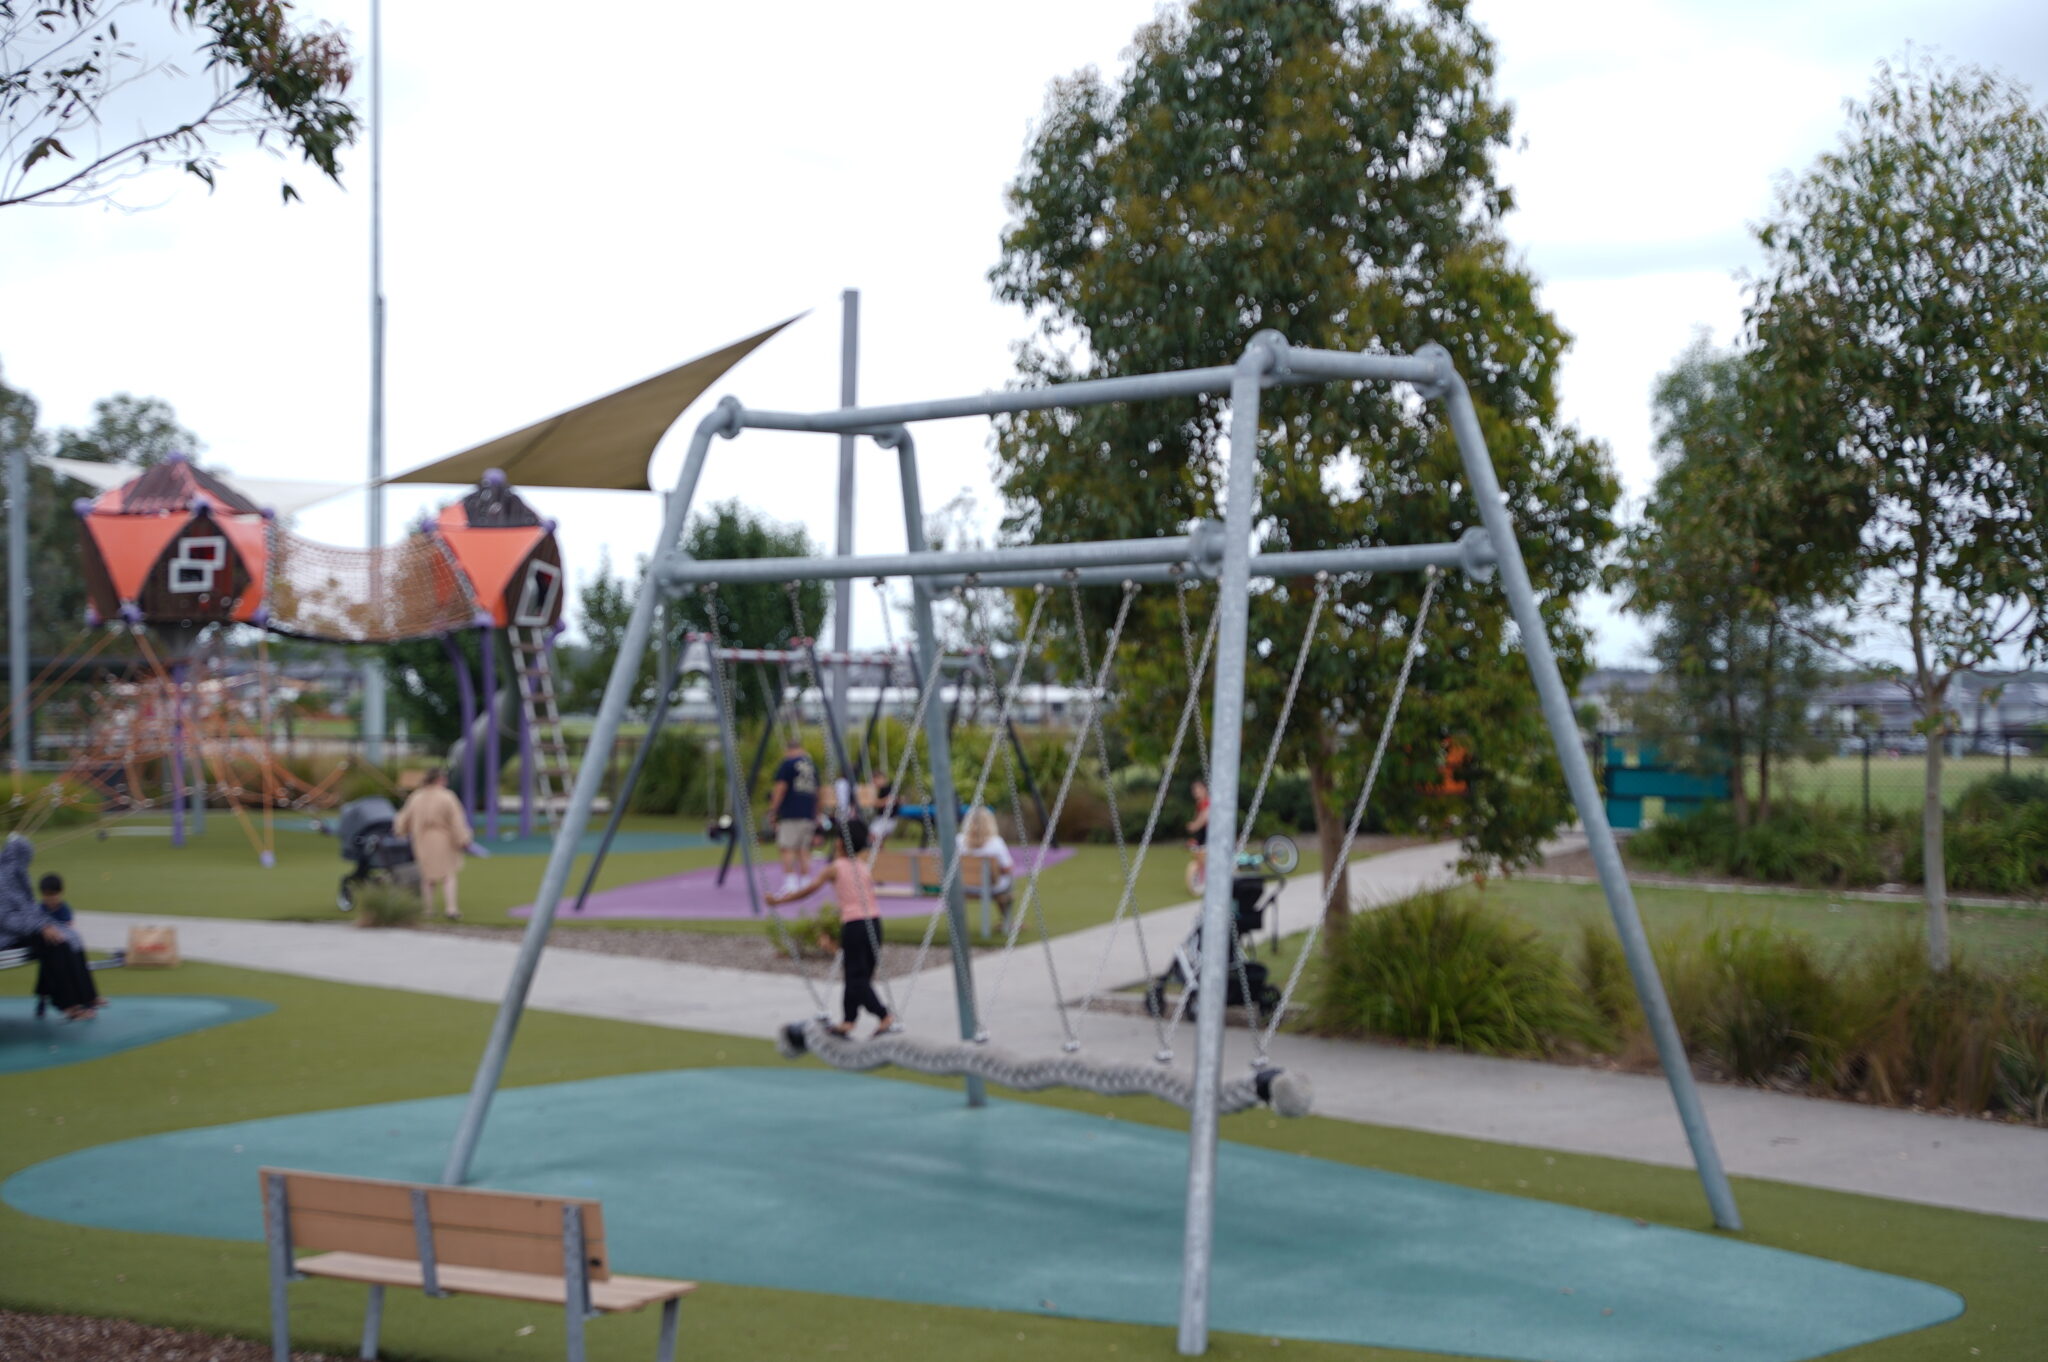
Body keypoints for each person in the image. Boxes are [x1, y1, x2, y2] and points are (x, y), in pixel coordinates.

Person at [765, 817, 895, 1037]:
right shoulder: (862, 867)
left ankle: (884, 1015)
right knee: (856, 974)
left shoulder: (835, 868)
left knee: (856, 977)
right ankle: (848, 1019)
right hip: (874, 923)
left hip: (855, 925)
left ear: (839, 844)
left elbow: (809, 890)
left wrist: (779, 902)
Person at [0, 835, 103, 1019]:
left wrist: (45, 923)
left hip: (24, 928)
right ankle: (68, 1005)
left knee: (70, 936)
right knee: (55, 943)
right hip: (8, 934)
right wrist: (40, 927)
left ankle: (88, 997)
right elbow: (6, 918)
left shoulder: (17, 874)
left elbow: (29, 907)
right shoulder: (3, 878)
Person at [393, 768, 473, 922]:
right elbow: (457, 820)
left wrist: (401, 831)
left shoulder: (416, 797)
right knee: (448, 874)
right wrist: (464, 838)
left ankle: (428, 909)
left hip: (422, 839)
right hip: (443, 838)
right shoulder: (447, 797)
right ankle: (451, 908)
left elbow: (403, 818)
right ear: (440, 780)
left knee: (427, 875)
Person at [768, 736, 820, 895]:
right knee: (804, 849)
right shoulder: (812, 766)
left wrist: (773, 809)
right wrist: (816, 812)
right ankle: (805, 882)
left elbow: (780, 788)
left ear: (789, 750)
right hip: (808, 813)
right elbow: (818, 791)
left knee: (787, 848)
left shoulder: (788, 764)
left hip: (791, 813)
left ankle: (790, 884)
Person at [960, 805, 1016, 932]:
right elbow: (1008, 868)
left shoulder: (959, 841)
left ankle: (1007, 921)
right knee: (1009, 881)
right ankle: (1007, 921)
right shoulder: (995, 843)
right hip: (991, 887)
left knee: (1003, 881)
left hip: (965, 886)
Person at [37, 873, 82, 951]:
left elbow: (68, 926)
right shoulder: (39, 908)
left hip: (60, 940)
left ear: (61, 892)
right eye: (46, 895)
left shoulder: (64, 909)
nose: (50, 898)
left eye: (53, 894)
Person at [1186, 778, 1212, 889]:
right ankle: (1202, 876)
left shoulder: (1207, 802)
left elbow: (1205, 817)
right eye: (1194, 790)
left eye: (1198, 789)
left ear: (1204, 789)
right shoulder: (1200, 803)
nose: (1196, 792)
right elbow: (1198, 816)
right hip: (1203, 833)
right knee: (1198, 853)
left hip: (1210, 832)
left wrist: (1195, 825)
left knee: (1203, 854)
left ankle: (1205, 878)